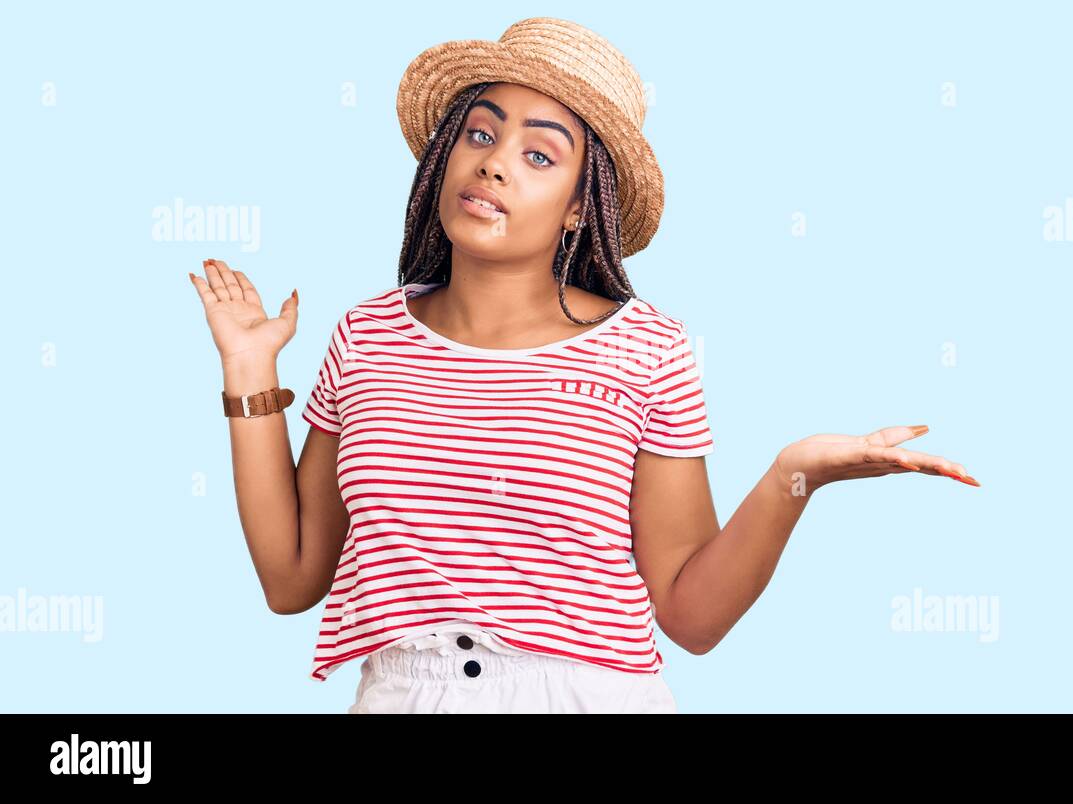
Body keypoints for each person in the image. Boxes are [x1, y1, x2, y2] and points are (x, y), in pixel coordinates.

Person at [187, 18, 979, 714]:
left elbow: (690, 618)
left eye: (539, 154)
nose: (495, 165)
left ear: (578, 204)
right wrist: (250, 369)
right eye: (480, 134)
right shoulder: (366, 338)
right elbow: (292, 582)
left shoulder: (647, 350)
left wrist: (790, 478)